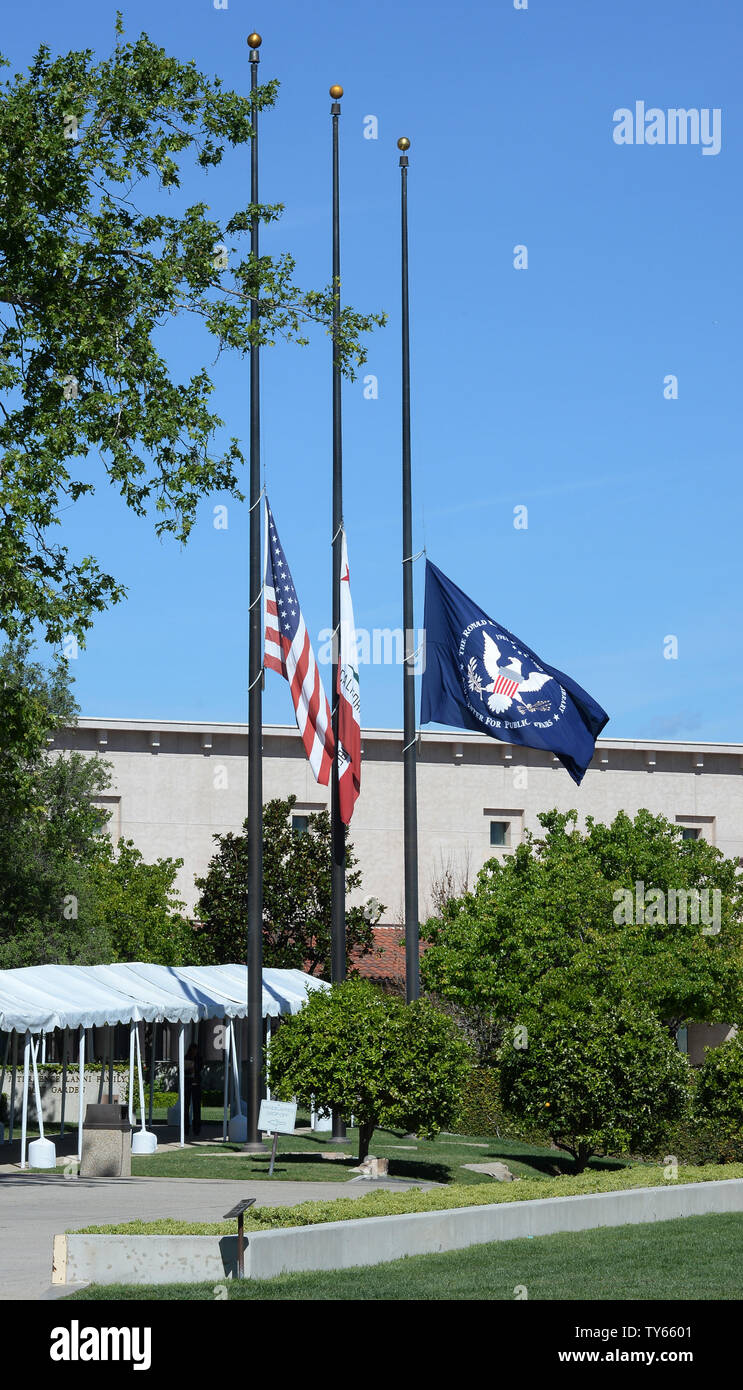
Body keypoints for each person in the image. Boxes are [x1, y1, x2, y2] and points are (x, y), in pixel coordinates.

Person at [184, 1042, 202, 1138]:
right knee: (186, 1107)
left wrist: (195, 1066)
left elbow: (200, 1068)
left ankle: (197, 1128)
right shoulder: (186, 1058)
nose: (194, 1052)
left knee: (196, 1107)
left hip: (196, 1084)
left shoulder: (199, 1059)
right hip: (188, 1083)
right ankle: (186, 1128)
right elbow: (181, 1070)